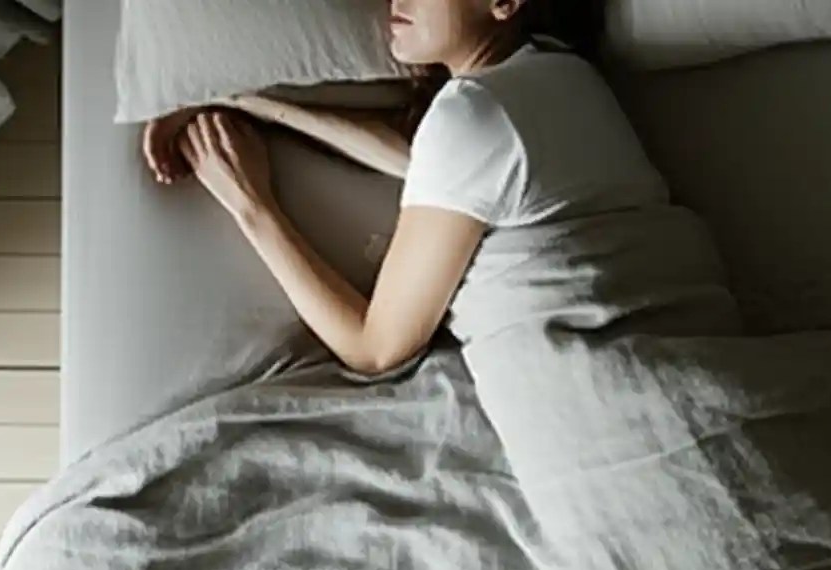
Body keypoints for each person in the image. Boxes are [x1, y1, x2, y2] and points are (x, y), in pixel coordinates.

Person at [141, 0, 647, 376]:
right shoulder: (568, 75)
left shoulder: (474, 116)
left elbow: (376, 349)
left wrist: (250, 203)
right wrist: (248, 102)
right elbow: (420, 158)